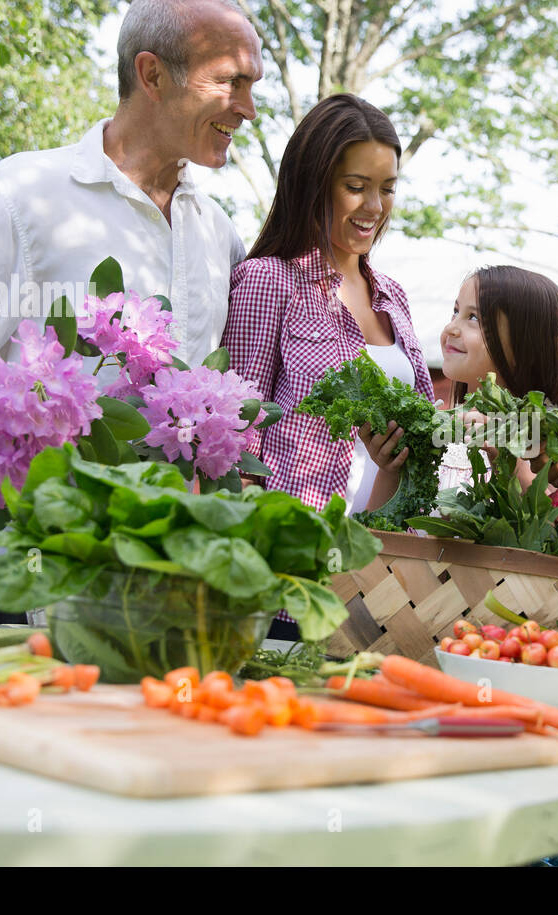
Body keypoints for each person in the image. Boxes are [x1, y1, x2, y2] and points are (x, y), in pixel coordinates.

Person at [0, 0, 262, 626]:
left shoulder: (217, 232)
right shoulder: (20, 197)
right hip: (26, 594)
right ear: (151, 75)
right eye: (230, 82)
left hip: (160, 597)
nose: (248, 109)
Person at [221, 93, 434, 640]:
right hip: (289, 586)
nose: (374, 207)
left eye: (387, 188)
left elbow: (423, 441)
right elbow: (236, 442)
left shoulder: (394, 298)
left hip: (381, 585)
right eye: (356, 186)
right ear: (314, 182)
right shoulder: (269, 281)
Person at [364, 264, 558, 509]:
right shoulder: (432, 427)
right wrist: (391, 469)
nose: (451, 327)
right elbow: (377, 532)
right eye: (455, 311)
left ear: (525, 345)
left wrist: (508, 466)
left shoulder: (557, 433)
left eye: (473, 318)